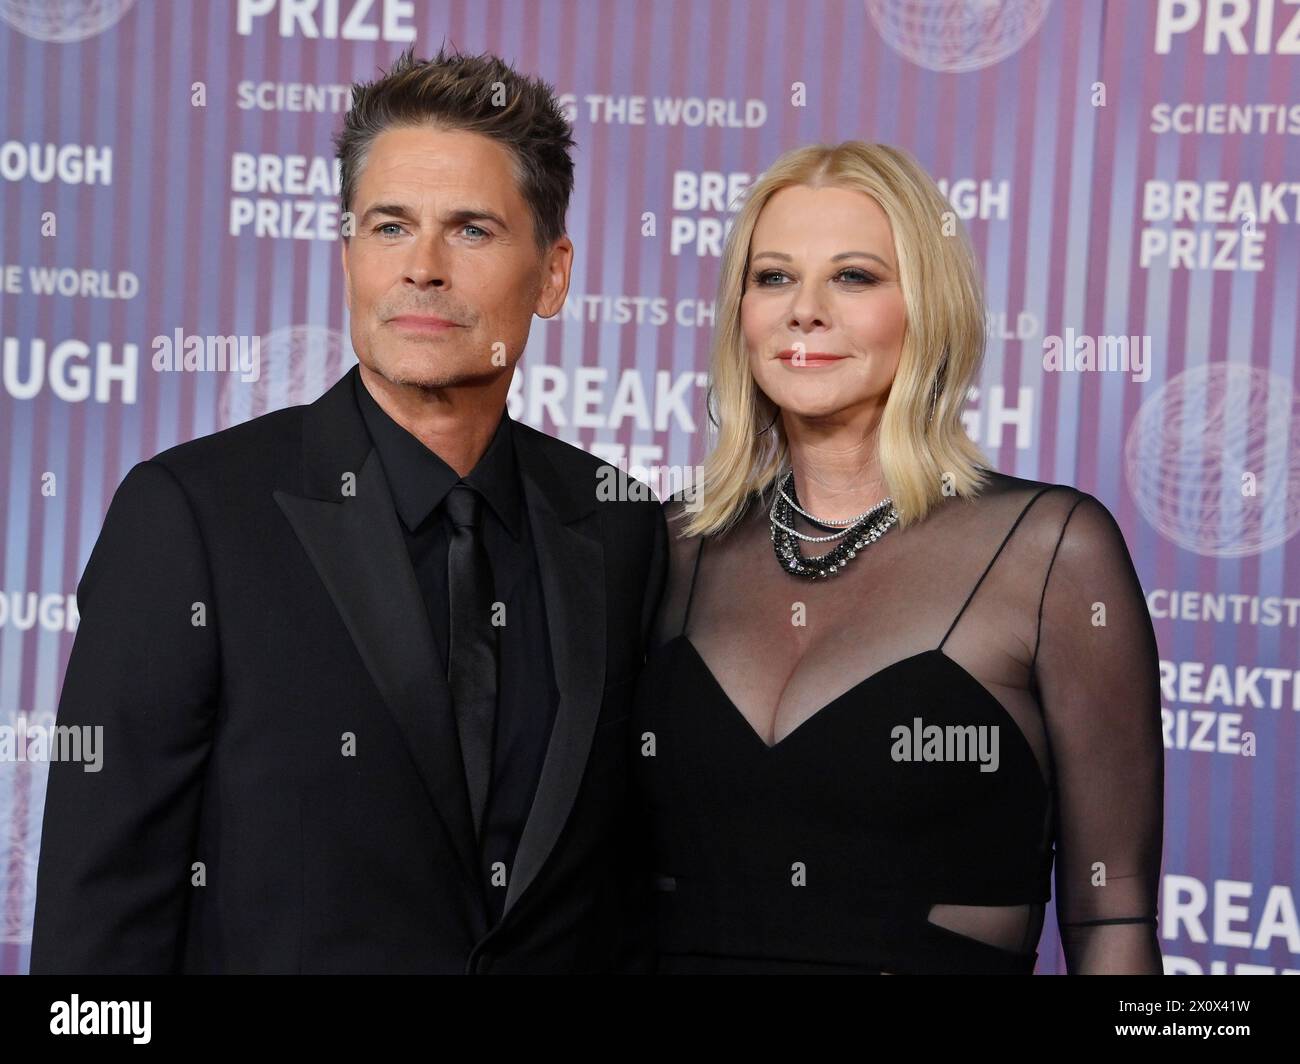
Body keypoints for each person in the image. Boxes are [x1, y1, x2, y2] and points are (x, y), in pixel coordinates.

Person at [30, 45, 667, 974]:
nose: (423, 268)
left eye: (474, 230)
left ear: (553, 272)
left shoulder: (618, 526)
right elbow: (98, 923)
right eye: (389, 226)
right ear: (349, 252)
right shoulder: (192, 518)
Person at [626, 141, 1165, 974]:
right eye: (773, 277)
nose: (804, 310)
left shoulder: (1051, 552)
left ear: (926, 306)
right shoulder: (669, 547)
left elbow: (1113, 919)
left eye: (854, 277)